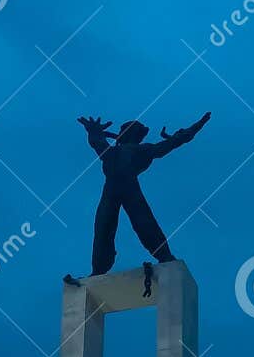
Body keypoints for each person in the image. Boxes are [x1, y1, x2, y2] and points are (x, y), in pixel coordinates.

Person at [74, 112, 211, 277]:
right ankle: (98, 269)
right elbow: (100, 146)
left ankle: (164, 256)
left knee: (143, 222)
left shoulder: (142, 149)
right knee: (103, 226)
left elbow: (174, 142)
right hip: (111, 189)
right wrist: (94, 133)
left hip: (127, 186)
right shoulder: (115, 152)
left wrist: (196, 126)